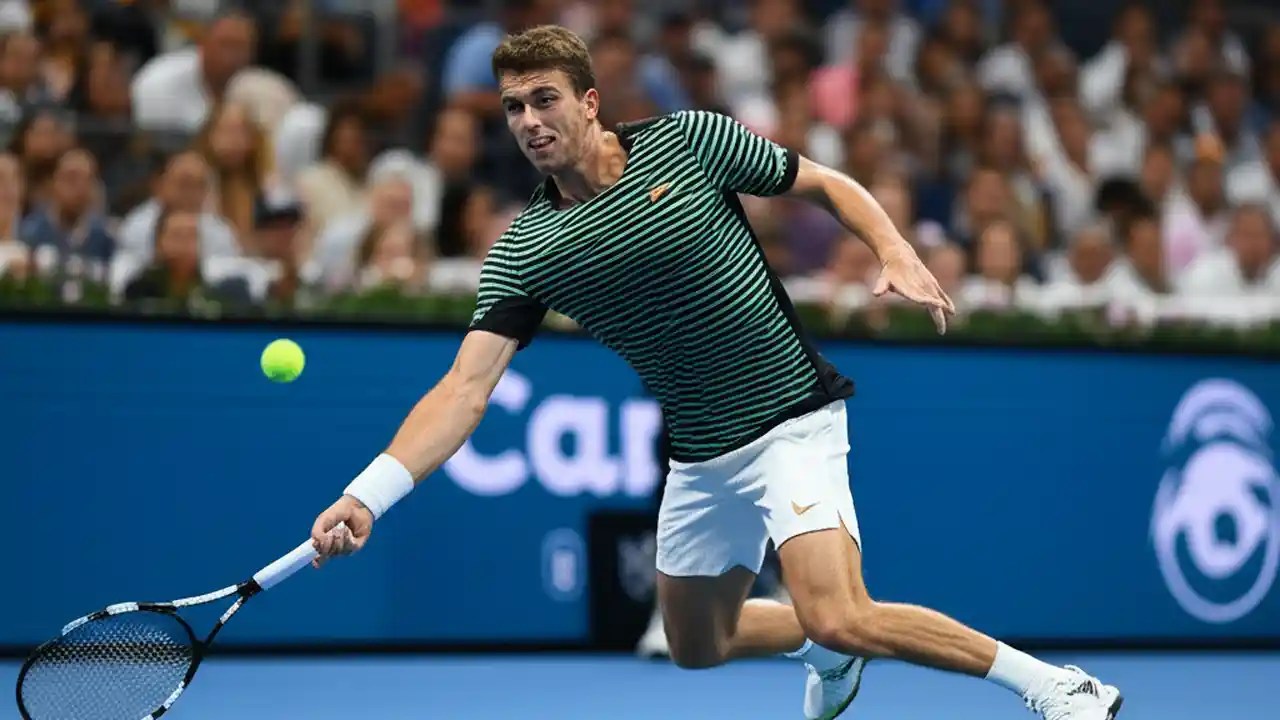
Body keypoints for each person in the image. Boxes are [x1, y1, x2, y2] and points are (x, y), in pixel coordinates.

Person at [307, 25, 1123, 720]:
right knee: (699, 645)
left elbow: (824, 183)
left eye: (545, 98)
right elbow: (463, 390)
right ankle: (820, 650)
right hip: (700, 457)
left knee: (841, 611)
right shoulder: (527, 251)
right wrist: (365, 493)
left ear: (589, 101)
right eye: (514, 106)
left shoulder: (688, 141)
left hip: (792, 419)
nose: (528, 120)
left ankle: (1054, 686)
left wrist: (893, 247)